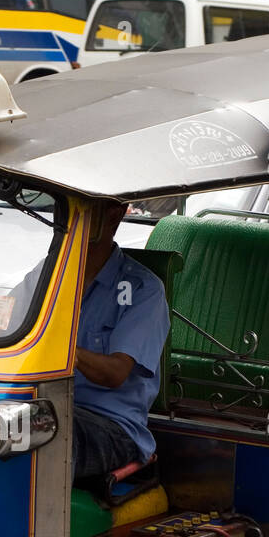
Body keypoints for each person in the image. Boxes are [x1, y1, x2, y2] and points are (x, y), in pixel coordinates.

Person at [72, 201, 170, 478]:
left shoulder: (144, 289)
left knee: (34, 432)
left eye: (77, 207)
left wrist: (66, 350)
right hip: (49, 408)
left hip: (113, 427)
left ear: (113, 212)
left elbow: (116, 372)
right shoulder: (50, 275)